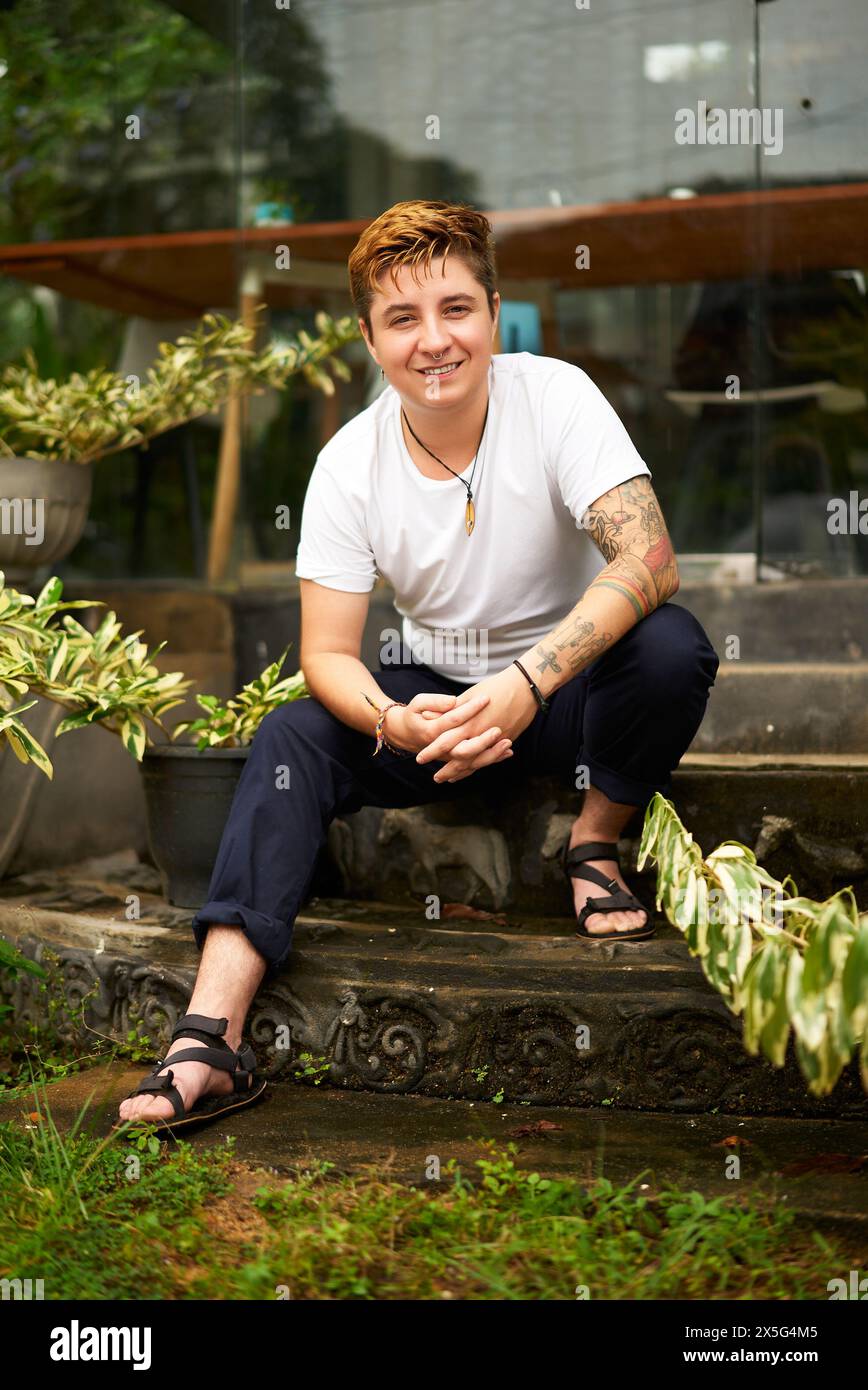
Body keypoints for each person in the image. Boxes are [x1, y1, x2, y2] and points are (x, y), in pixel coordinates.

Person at [118, 199, 719, 1130]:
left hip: (567, 695)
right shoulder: (347, 464)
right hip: (433, 704)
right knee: (291, 737)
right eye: (403, 318)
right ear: (370, 339)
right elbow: (326, 653)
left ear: (494, 313)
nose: (434, 340)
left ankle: (595, 844)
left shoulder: (556, 397)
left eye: (456, 308)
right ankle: (211, 1037)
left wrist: (527, 684)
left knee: (671, 644)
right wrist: (392, 721)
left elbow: (651, 558)